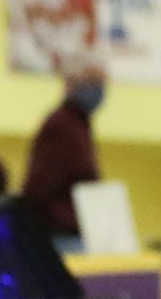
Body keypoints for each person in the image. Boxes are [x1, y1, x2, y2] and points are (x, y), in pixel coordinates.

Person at [20, 60, 106, 249]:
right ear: (71, 84)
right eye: (92, 82)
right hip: (59, 233)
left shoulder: (79, 124)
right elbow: (41, 184)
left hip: (73, 230)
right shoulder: (63, 124)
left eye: (101, 83)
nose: (99, 90)